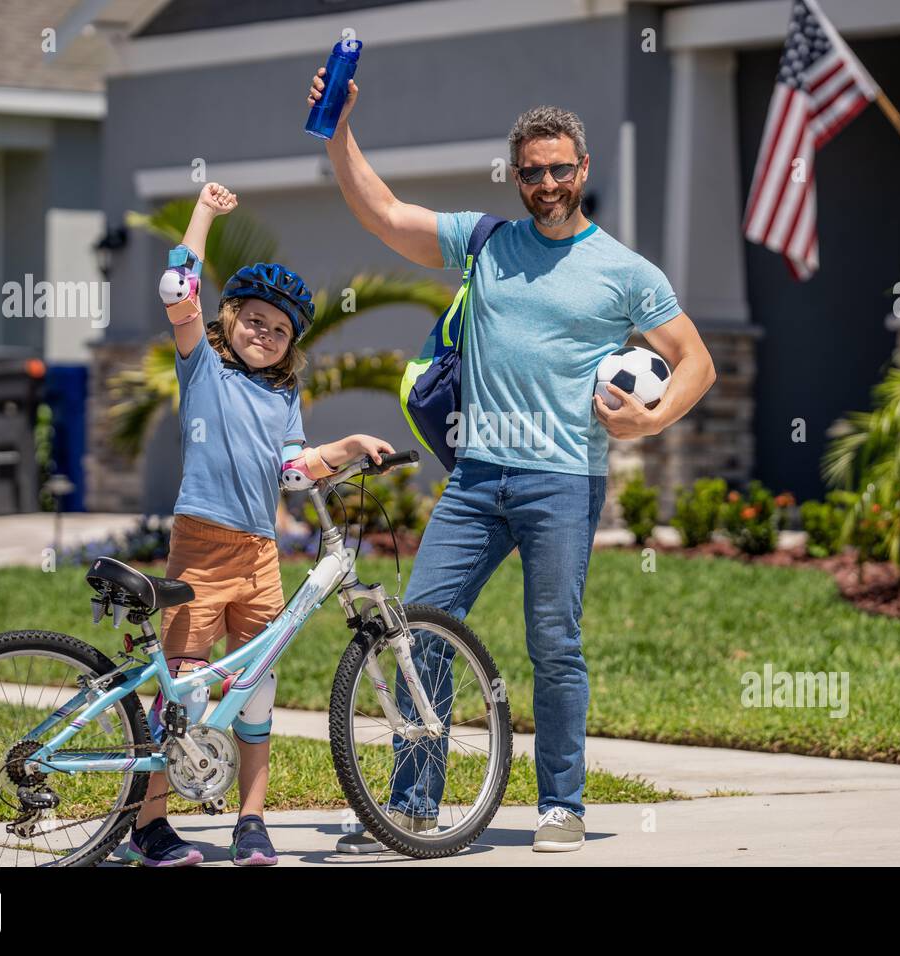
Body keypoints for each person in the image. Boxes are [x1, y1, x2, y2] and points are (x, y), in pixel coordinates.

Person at [306, 70, 717, 852]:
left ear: (584, 168)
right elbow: (387, 214)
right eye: (532, 171)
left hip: (564, 479)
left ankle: (562, 804)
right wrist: (339, 132)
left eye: (561, 168)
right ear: (515, 176)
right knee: (419, 626)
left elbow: (694, 359)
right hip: (475, 479)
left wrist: (650, 419)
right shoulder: (485, 242)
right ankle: (415, 805)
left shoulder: (625, 271)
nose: (548, 183)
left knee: (553, 642)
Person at [125, 181, 395, 866]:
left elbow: (293, 471)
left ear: (291, 344)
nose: (265, 335)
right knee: (182, 690)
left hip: (261, 555)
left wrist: (351, 447)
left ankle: (251, 820)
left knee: (255, 694)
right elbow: (173, 288)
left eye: (279, 330)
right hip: (201, 547)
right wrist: (205, 214)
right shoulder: (203, 368)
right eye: (254, 320)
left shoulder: (283, 397)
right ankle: (148, 826)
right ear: (229, 319)